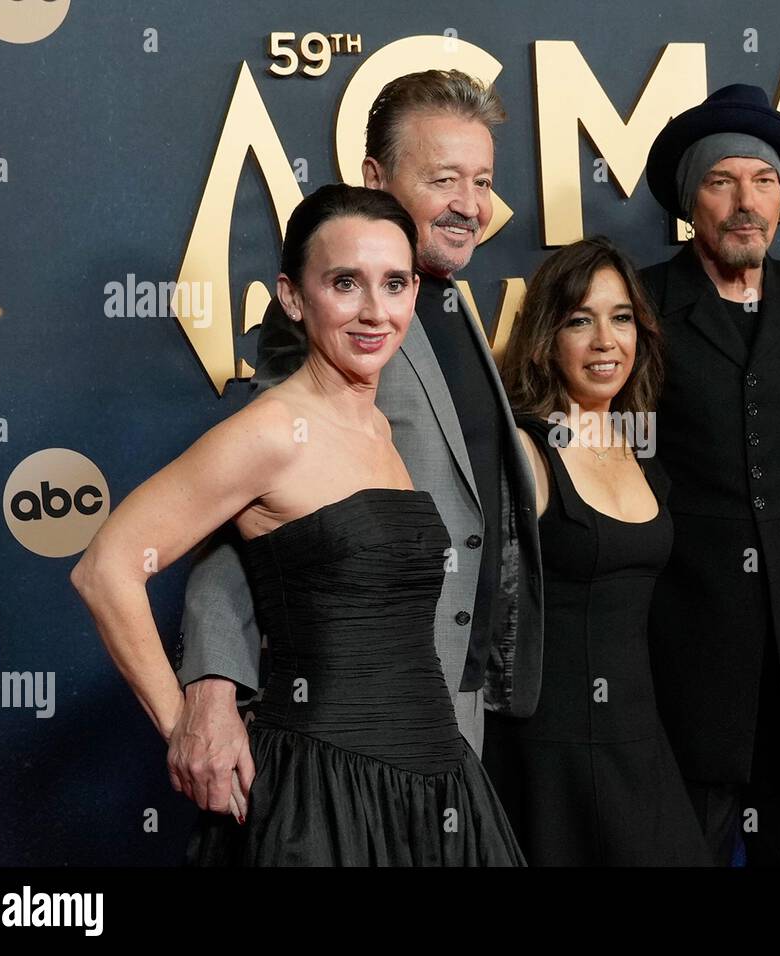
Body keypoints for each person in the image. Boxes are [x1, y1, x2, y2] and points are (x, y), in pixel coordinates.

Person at [72, 184, 524, 865]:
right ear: (291, 297)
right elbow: (106, 567)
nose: (376, 311)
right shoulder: (272, 432)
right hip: (324, 799)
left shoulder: (378, 428)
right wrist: (182, 726)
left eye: (395, 283)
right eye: (345, 283)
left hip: (437, 784)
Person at [169, 70, 543, 824]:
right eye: (444, 179)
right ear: (375, 178)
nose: (470, 205)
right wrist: (211, 686)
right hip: (362, 718)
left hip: (458, 701)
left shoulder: (451, 302)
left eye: (482, 181)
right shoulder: (332, 317)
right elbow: (243, 510)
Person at [638, 84, 780, 866]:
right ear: (692, 200)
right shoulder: (640, 306)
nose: (745, 202)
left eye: (762, 182)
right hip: (682, 648)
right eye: (722, 182)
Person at [482, 237, 711, 865]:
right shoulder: (526, 452)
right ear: (546, 338)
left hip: (639, 740)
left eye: (621, 318)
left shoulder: (640, 448)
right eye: (580, 320)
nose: (605, 341)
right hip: (548, 751)